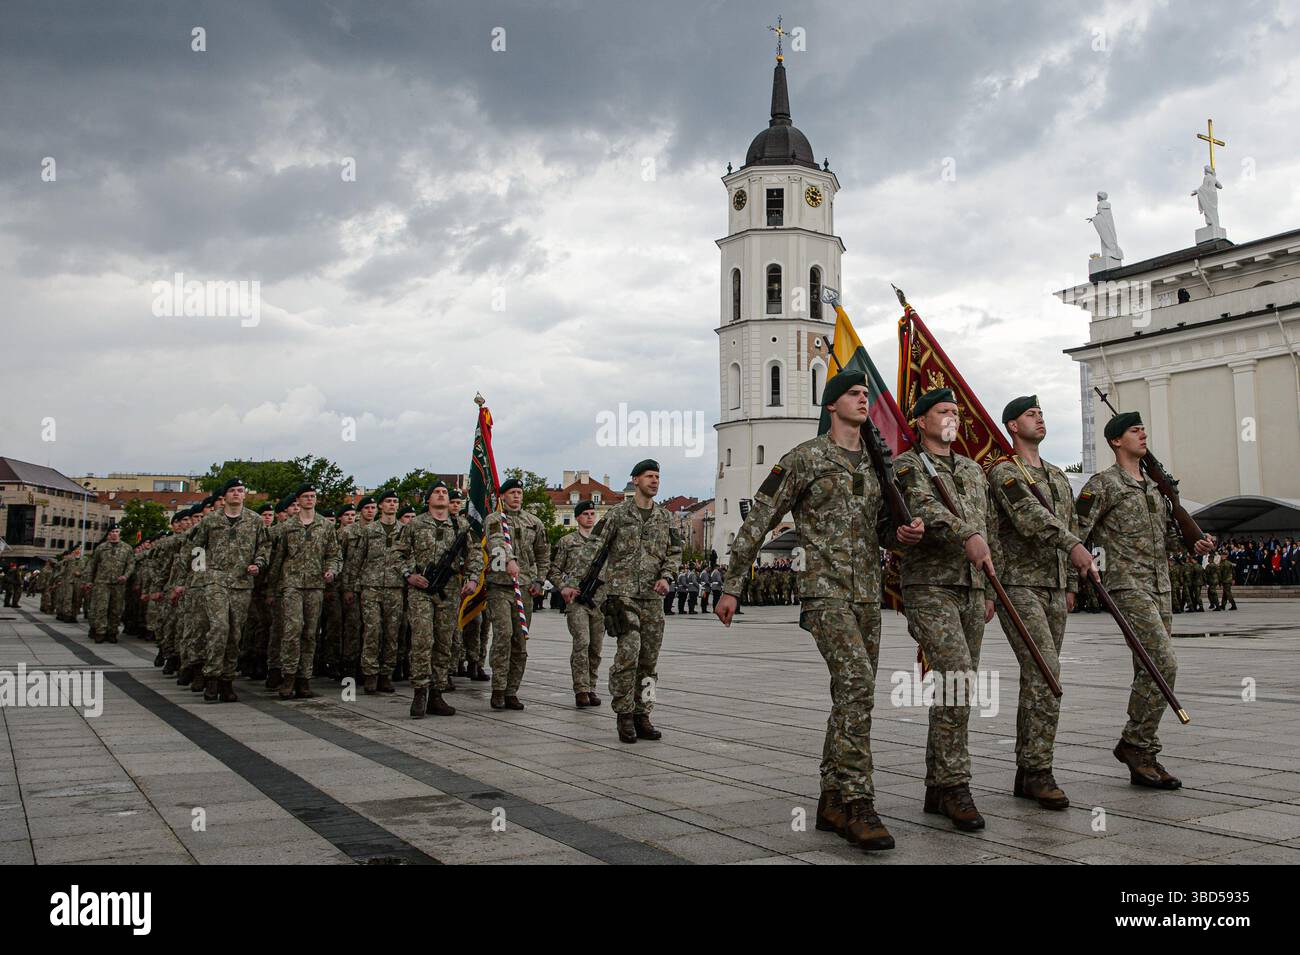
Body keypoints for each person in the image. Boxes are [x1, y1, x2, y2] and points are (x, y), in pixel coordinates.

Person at [716, 372, 923, 851]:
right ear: (831, 405)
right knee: (854, 683)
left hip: (867, 594)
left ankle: (831, 797)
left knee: (853, 694)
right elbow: (760, 518)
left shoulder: (878, 464)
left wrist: (901, 536)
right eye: (853, 394)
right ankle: (858, 803)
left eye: (864, 395)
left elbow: (883, 530)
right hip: (824, 593)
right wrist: (732, 584)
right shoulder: (805, 459)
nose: (862, 400)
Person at [1076, 411, 1215, 789]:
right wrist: (1078, 581)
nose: (1142, 434)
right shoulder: (1103, 484)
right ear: (1115, 441)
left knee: (1147, 669)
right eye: (1133, 430)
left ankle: (1142, 751)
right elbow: (1077, 533)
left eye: (1143, 430)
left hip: (1161, 585)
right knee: (1163, 662)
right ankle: (1137, 743)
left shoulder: (1155, 489)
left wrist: (1192, 542)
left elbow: (1164, 538)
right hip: (1126, 585)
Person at [892, 387, 996, 832]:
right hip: (931, 585)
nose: (951, 417)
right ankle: (955, 784)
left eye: (956, 411)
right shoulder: (907, 465)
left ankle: (938, 784)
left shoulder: (973, 470)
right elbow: (924, 507)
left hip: (973, 588)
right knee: (954, 672)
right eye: (942, 411)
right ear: (920, 420)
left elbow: (989, 530)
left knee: (959, 684)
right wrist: (965, 533)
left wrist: (992, 585)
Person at [987, 395, 1096, 810]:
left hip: (1052, 587)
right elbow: (1031, 519)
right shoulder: (1004, 473)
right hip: (1018, 585)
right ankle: (1037, 770)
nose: (1040, 419)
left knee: (1040, 676)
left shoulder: (1056, 476)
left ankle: (1030, 769)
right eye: (1031, 415)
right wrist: (1073, 548)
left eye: (1042, 414)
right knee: (1046, 671)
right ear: (1013, 426)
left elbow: (1069, 525)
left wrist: (1070, 582)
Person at [561, 460, 682, 744]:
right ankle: (624, 714)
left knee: (649, 662)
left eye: (657, 477)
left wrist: (667, 576)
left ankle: (644, 714)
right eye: (649, 476)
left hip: (652, 599)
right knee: (629, 653)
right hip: (621, 595)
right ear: (635, 480)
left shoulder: (664, 517)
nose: (654, 481)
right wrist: (572, 583)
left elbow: (675, 551)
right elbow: (594, 548)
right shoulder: (617, 514)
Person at [396, 481, 476, 718]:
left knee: (444, 642)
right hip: (421, 589)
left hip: (449, 590)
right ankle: (420, 692)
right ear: (428, 499)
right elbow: (398, 553)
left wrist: (472, 579)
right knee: (422, 640)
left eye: (444, 492)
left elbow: (473, 556)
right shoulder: (415, 524)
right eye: (436, 493)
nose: (441, 495)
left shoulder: (460, 525)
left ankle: (437, 693)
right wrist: (410, 575)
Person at [185, 478, 270, 702]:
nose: (236, 494)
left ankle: (227, 680)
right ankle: (211, 677)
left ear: (244, 495)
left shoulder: (255, 520)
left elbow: (264, 546)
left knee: (234, 633)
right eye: (232, 490)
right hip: (215, 581)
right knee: (219, 627)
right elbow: (195, 547)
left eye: (240, 491)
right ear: (224, 496)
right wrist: (201, 573)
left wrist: (258, 563)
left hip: (242, 583)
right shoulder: (211, 520)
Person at [483, 477, 550, 709]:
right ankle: (498, 688)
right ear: (503, 496)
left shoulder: (534, 522)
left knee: (520, 641)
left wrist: (540, 580)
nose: (516, 497)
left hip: (524, 588)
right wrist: (509, 560)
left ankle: (512, 690)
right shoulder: (494, 520)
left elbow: (542, 554)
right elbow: (496, 542)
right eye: (511, 493)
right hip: (500, 586)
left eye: (519, 493)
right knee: (503, 635)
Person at [273, 484, 342, 700]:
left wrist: (332, 570)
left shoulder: (325, 525)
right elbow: (278, 558)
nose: (310, 500)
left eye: (313, 496)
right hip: (291, 584)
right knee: (292, 630)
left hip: (315, 585)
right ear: (298, 500)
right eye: (306, 496)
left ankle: (304, 679)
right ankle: (288, 677)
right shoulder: (287, 526)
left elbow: (334, 554)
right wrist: (271, 588)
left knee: (311, 633)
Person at [548, 500, 607, 707]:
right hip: (576, 600)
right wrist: (563, 587)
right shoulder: (567, 541)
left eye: (593, 513)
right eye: (586, 514)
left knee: (596, 647)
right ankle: (581, 689)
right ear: (578, 517)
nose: (590, 517)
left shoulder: (602, 543)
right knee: (582, 642)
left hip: (599, 601)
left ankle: (591, 686)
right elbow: (553, 569)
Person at [356, 490, 407, 694]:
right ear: (380, 506)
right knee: (372, 630)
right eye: (388, 502)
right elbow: (357, 559)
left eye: (395, 502)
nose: (392, 505)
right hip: (371, 586)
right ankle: (370, 674)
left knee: (392, 633)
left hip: (395, 587)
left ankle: (386, 673)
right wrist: (352, 587)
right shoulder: (370, 530)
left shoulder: (405, 530)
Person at [83, 526, 136, 643]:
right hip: (102, 583)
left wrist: (125, 576)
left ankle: (112, 632)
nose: (114, 534)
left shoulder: (127, 548)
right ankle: (100, 632)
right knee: (101, 608)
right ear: (108, 534)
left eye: (117, 532)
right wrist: (89, 581)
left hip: (118, 584)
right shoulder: (101, 548)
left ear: (120, 534)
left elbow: (131, 565)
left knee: (116, 609)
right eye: (112, 532)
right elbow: (92, 565)